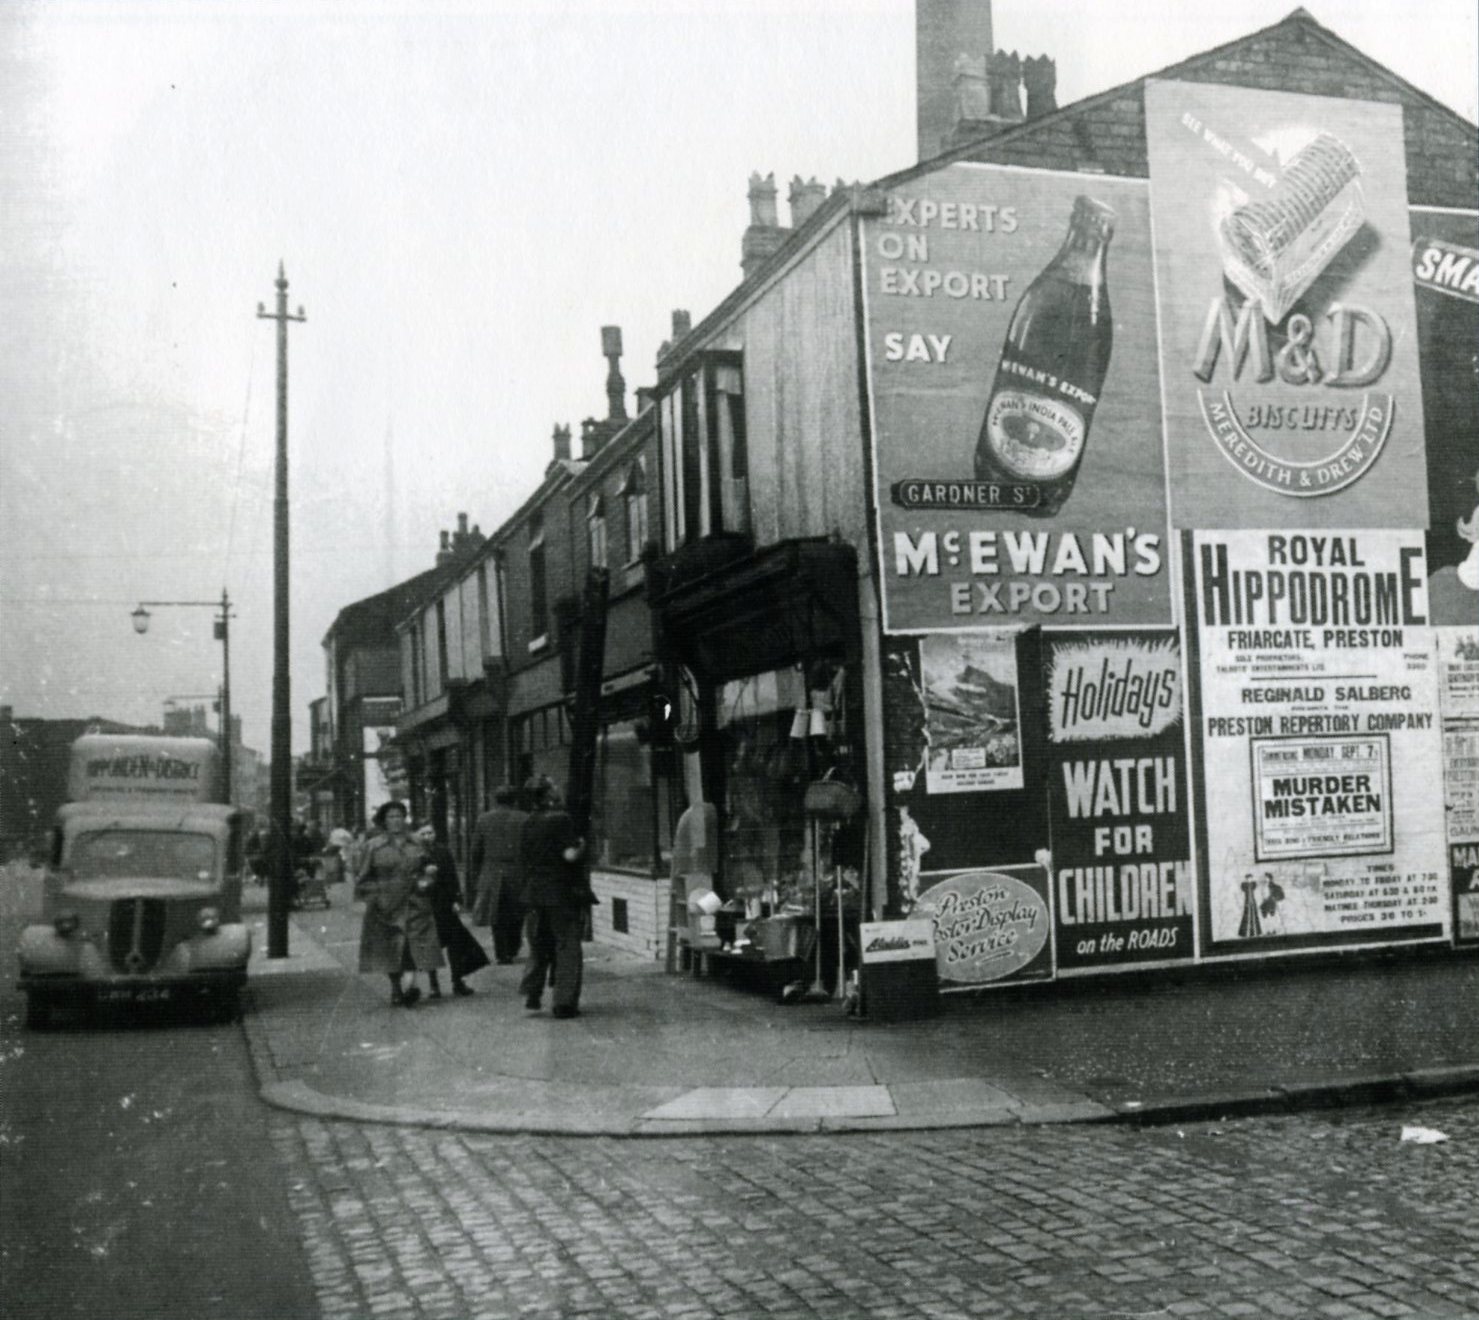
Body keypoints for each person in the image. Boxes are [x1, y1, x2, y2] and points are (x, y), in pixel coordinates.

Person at [517, 777, 593, 1019]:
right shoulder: (561, 819)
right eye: (553, 786)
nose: (558, 788)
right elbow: (569, 855)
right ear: (548, 794)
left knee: (539, 944)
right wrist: (582, 845)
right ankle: (564, 1002)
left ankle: (532, 994)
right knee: (567, 945)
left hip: (534, 893)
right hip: (561, 892)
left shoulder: (528, 821)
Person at [354, 799, 443, 1007]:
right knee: (389, 949)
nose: (396, 821)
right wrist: (377, 897)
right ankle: (395, 988)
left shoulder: (417, 843)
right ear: (384, 821)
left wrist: (425, 883)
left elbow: (428, 870)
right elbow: (362, 879)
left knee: (413, 948)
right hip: (385, 906)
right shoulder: (373, 846)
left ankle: (409, 987)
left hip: (415, 903)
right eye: (391, 817)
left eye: (400, 816)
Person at [414, 824, 490, 997]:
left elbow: (452, 876)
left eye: (430, 832)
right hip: (425, 904)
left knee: (456, 943)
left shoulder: (443, 851)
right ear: (417, 835)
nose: (427, 836)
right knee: (432, 945)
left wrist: (456, 899)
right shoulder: (414, 854)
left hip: (444, 903)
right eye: (423, 833)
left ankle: (458, 981)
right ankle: (434, 984)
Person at [468, 785, 528, 963]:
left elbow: (476, 850)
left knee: (497, 914)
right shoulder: (524, 818)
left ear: (495, 800)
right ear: (514, 800)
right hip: (518, 870)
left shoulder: (484, 819)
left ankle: (502, 953)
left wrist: (477, 873)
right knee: (517, 910)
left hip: (492, 871)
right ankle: (513, 946)